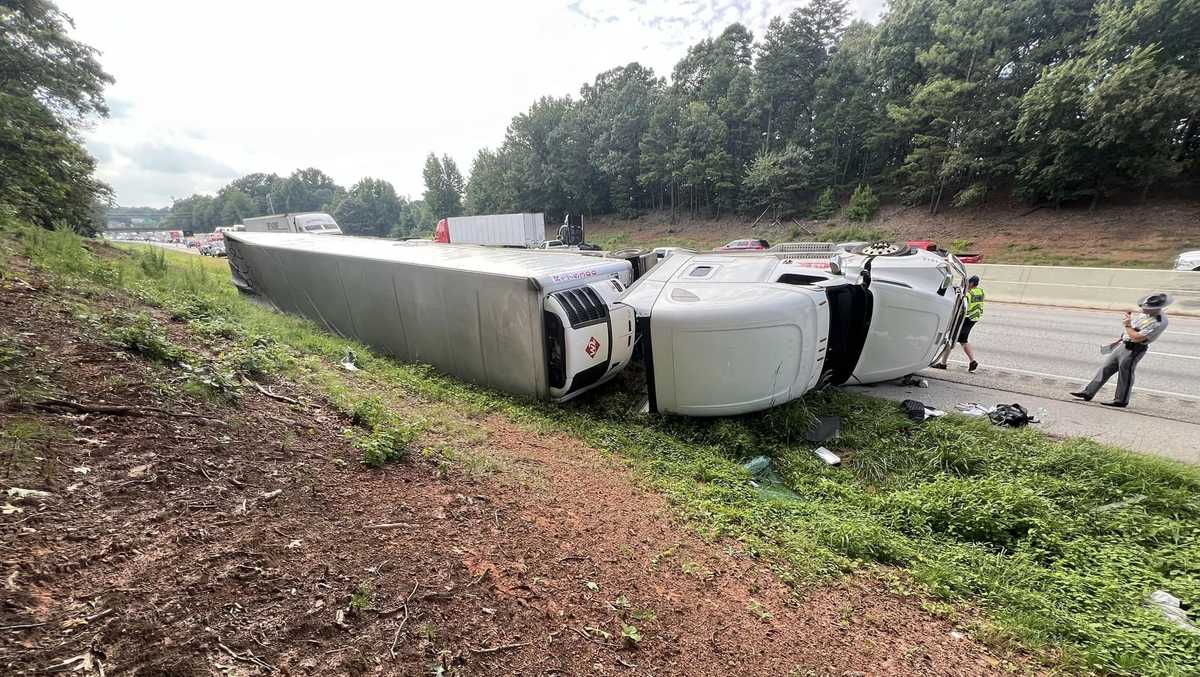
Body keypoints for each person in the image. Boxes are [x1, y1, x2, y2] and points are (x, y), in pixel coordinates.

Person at [1070, 292, 1172, 408]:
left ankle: (1121, 400)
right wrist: (1123, 334)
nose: (1143, 308)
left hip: (1134, 349)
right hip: (1124, 344)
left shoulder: (1158, 322)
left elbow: (1137, 337)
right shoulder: (1146, 314)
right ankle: (1088, 392)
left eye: (1147, 307)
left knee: (1125, 374)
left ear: (1156, 308)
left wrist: (1127, 325)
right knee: (1105, 368)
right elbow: (1134, 328)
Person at [933, 275, 985, 372]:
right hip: (974, 319)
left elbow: (960, 307)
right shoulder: (981, 291)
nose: (965, 284)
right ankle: (972, 361)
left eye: (967, 282)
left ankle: (943, 364)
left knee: (951, 339)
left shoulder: (968, 294)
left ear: (971, 283)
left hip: (964, 318)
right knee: (963, 340)